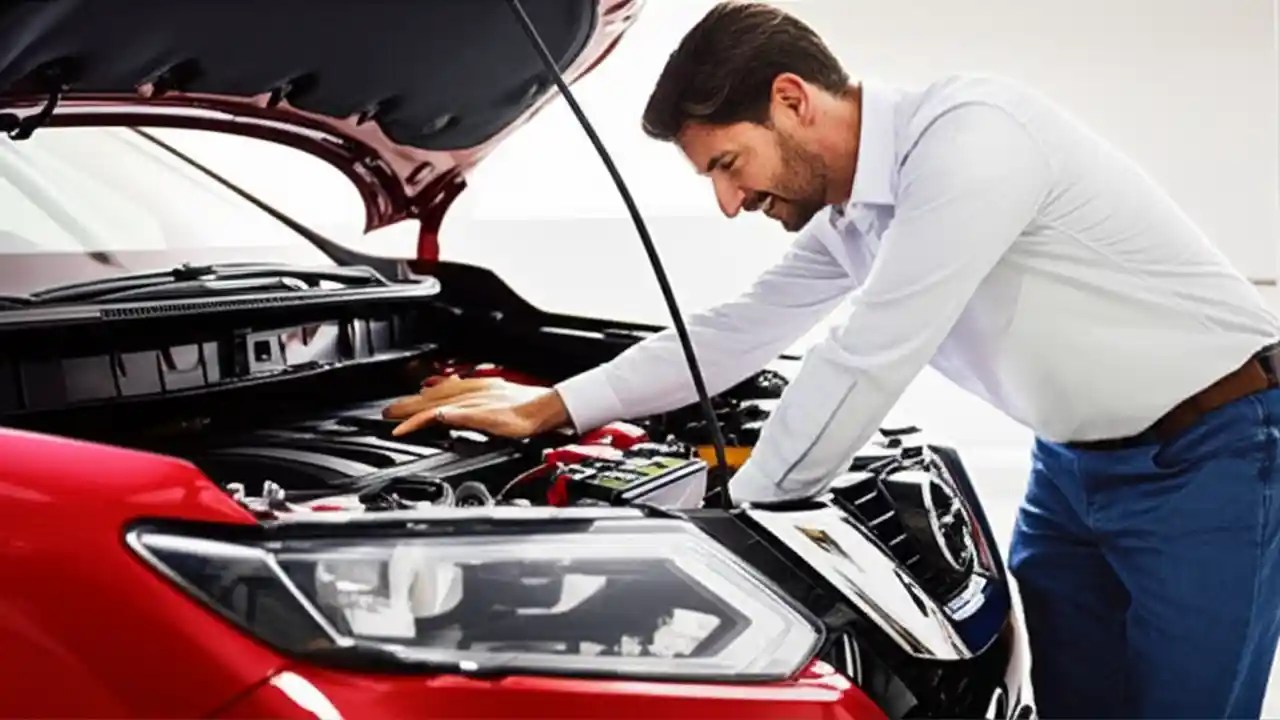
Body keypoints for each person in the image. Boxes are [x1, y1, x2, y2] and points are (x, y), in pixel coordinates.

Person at [382, 2, 1280, 717]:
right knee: (1072, 705)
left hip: (1214, 453)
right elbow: (738, 329)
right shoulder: (854, 216)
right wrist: (553, 407)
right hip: (1071, 467)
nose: (730, 200)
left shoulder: (972, 141)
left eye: (729, 163)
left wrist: (729, 528)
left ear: (792, 99)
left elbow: (870, 353)